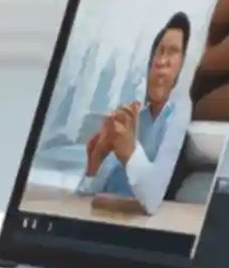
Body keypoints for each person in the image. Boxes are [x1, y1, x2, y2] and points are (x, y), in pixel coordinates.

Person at [77, 12, 193, 215]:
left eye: (173, 52)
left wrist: (128, 149)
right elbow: (84, 195)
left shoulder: (180, 111)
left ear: (183, 65)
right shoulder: (133, 114)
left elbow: (152, 198)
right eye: (159, 52)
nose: (162, 61)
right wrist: (95, 160)